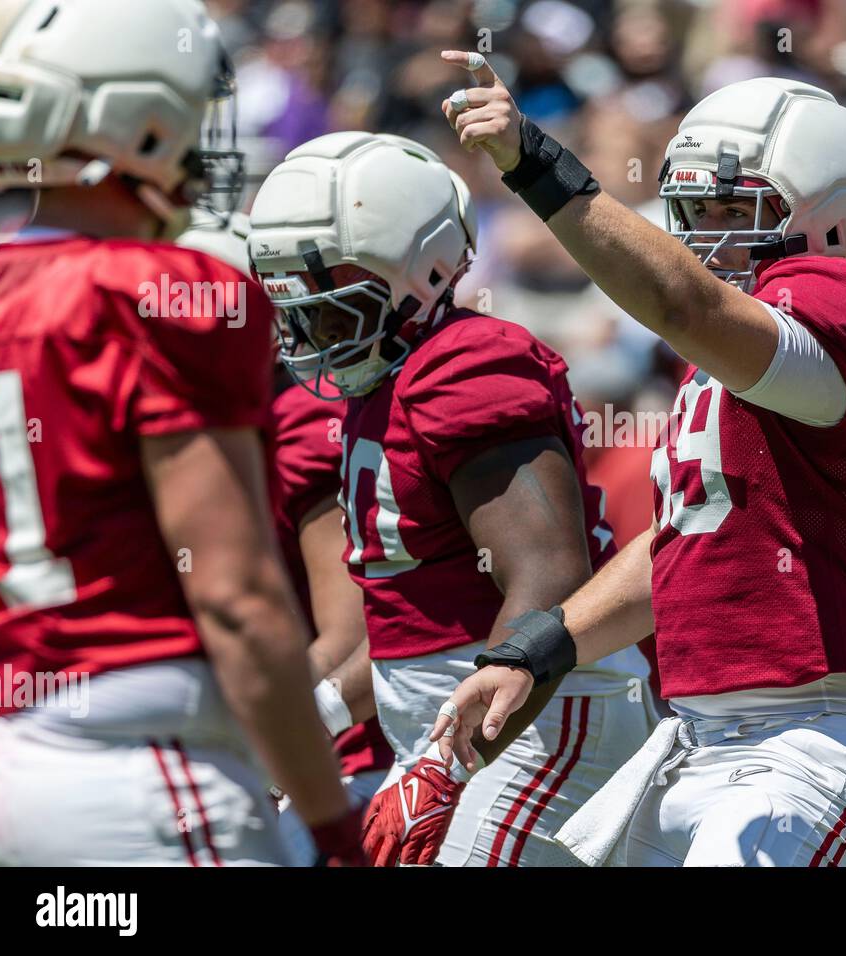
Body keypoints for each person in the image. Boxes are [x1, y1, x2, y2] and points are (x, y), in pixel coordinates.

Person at [432, 55, 846, 866]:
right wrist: (539, 650)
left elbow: (681, 304)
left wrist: (537, 163)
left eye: (731, 208)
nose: (705, 234)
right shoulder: (727, 365)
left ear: (833, 222)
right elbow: (686, 539)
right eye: (693, 209)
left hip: (817, 733)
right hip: (698, 735)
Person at [0, 0, 359, 866]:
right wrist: (331, 824)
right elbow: (237, 600)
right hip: (138, 761)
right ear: (138, 116)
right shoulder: (161, 290)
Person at [245, 131, 656, 866]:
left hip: (544, 724)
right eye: (300, 313)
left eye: (335, 312)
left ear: (422, 273)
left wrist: (449, 762)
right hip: (476, 730)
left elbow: (548, 576)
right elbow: (423, 627)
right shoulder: (383, 386)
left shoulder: (465, 366)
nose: (314, 337)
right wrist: (320, 716)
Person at [177, 211, 394, 864]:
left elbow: (349, 635)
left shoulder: (301, 421)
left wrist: (256, 744)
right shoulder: (226, 425)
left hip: (351, 756)